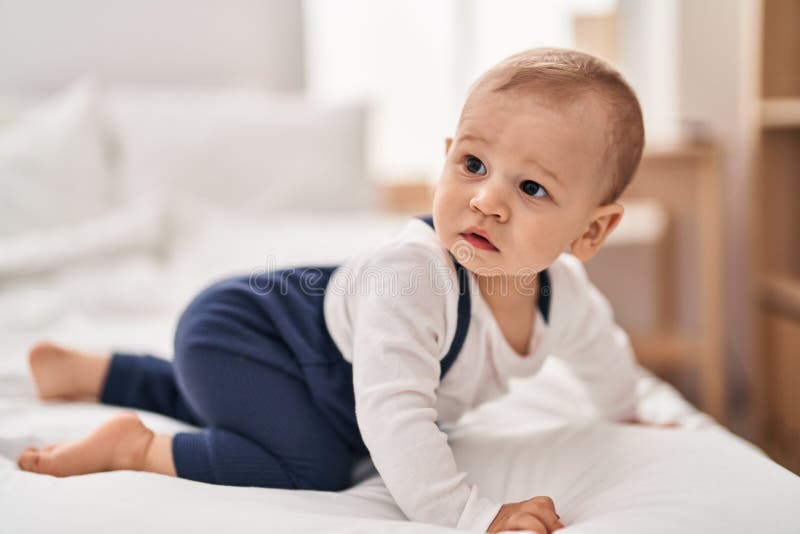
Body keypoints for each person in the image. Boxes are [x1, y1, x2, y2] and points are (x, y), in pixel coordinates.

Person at [18, 47, 648, 534]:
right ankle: (138, 447)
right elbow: (396, 420)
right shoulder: (417, 278)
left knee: (285, 412)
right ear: (447, 156)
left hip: (305, 375)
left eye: (531, 189)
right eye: (473, 166)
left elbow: (603, 354)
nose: (486, 201)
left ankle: (95, 373)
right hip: (242, 332)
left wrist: (631, 416)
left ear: (591, 231)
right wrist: (472, 514)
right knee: (314, 463)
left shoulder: (560, 295)